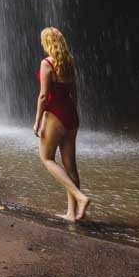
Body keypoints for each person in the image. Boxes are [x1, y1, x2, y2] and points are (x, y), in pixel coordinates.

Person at [33, 26, 91, 221]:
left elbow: (43, 97)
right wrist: (73, 114)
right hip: (71, 116)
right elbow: (74, 93)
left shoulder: (47, 63)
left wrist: (37, 121)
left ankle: (80, 197)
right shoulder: (69, 62)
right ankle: (72, 213)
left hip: (55, 114)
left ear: (47, 42)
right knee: (71, 166)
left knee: (46, 158)